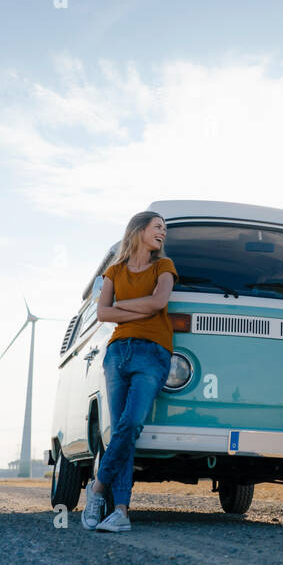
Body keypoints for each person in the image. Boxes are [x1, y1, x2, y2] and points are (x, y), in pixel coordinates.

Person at [82, 211, 177, 533]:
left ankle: (96, 489)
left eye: (164, 229)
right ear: (138, 230)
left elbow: (159, 303)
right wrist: (140, 304)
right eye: (157, 227)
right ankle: (121, 510)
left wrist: (125, 307)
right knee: (122, 429)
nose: (163, 233)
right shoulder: (114, 271)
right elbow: (103, 312)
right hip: (117, 353)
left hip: (152, 353)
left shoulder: (164, 267)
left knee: (131, 424)